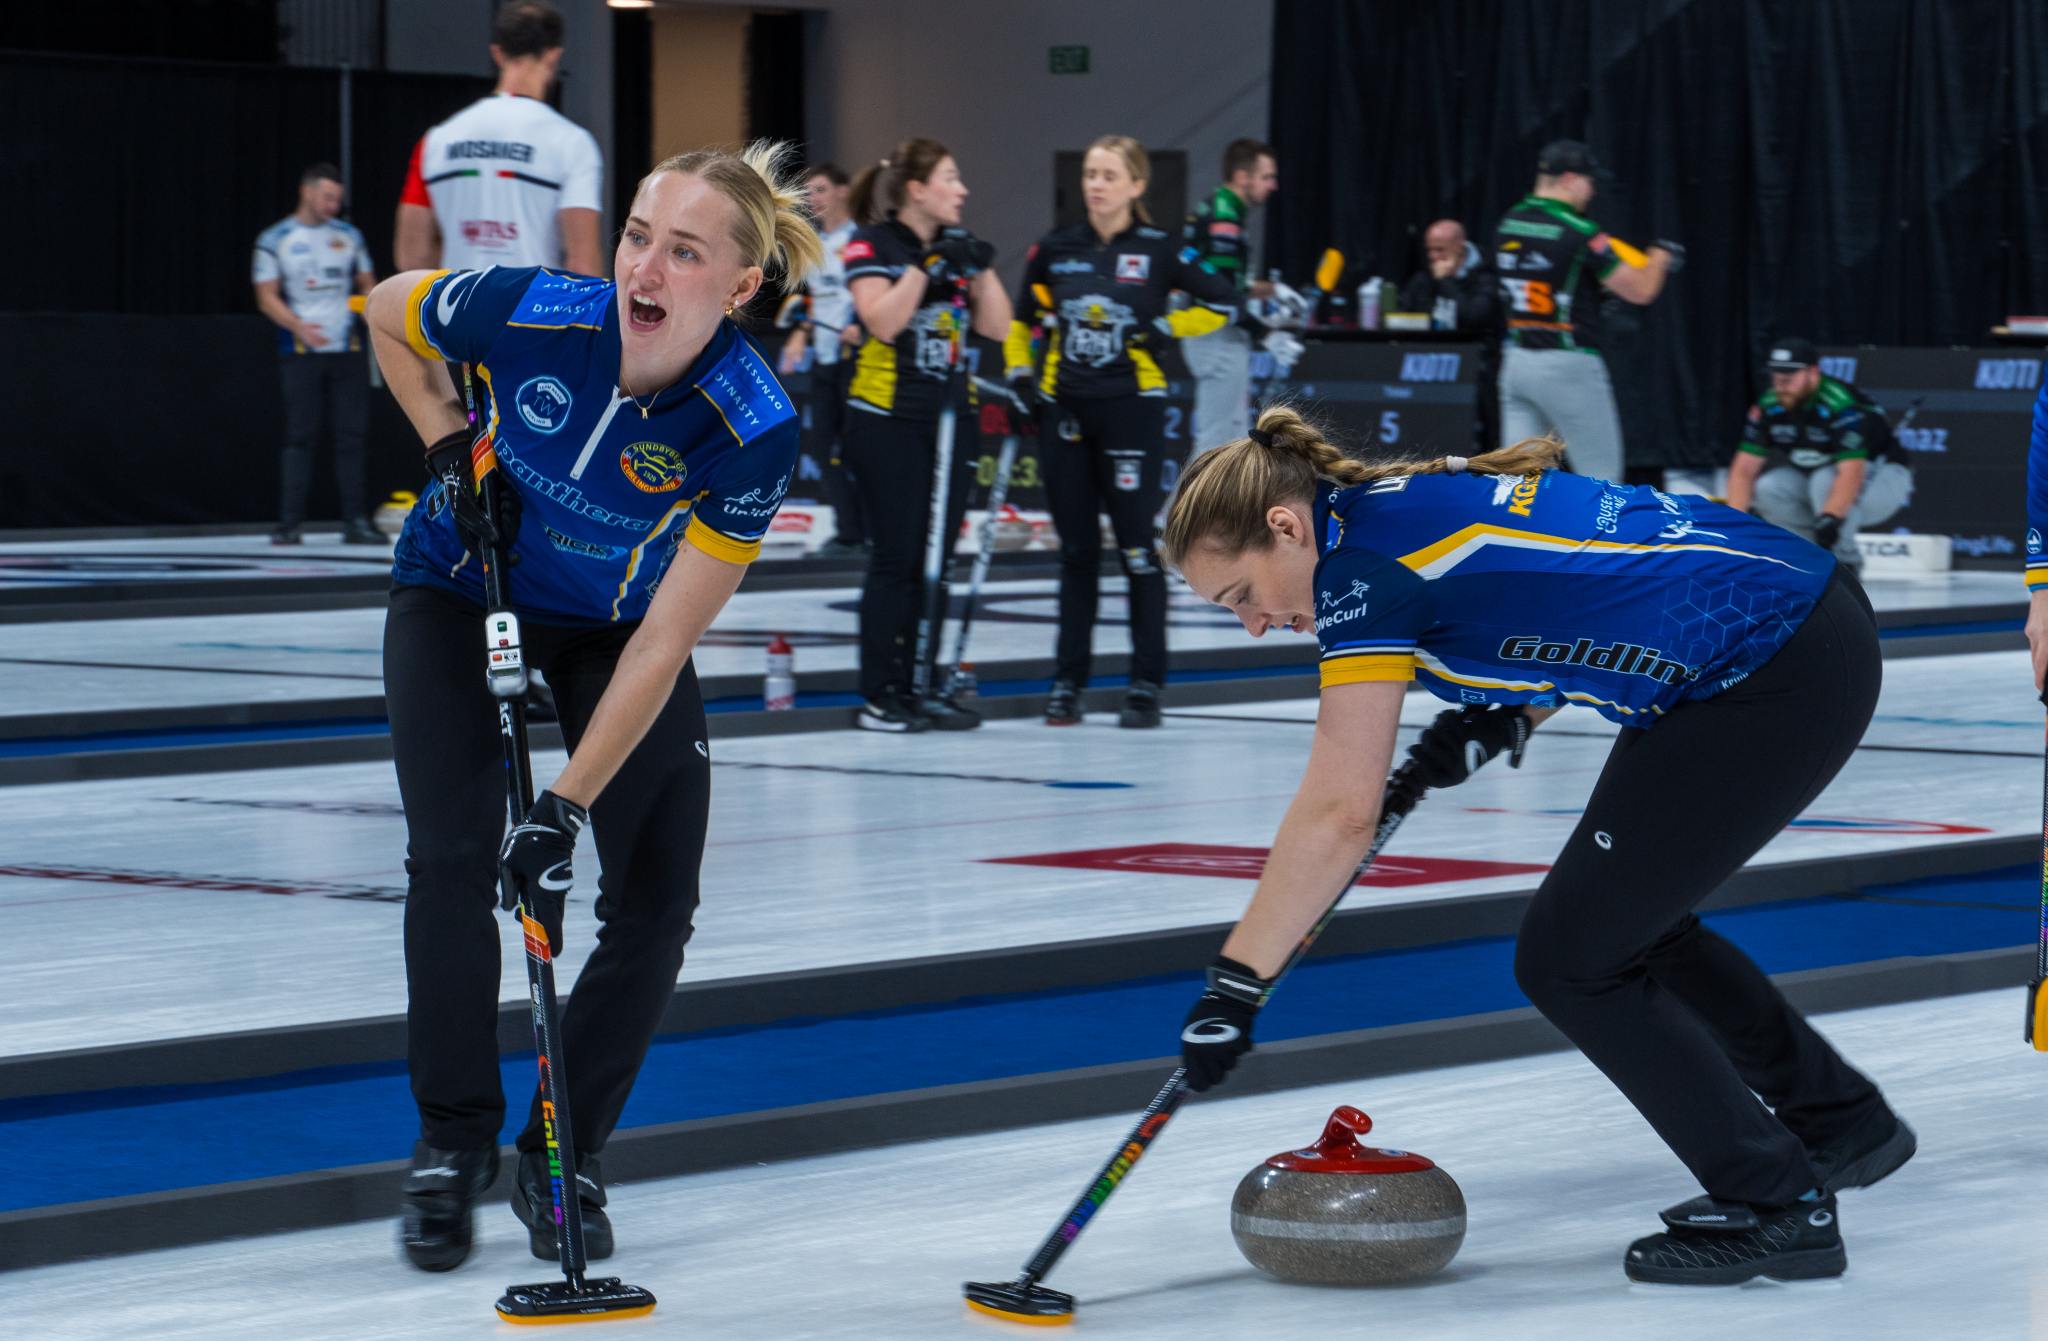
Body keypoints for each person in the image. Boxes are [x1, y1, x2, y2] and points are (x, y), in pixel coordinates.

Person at [1158, 407, 1914, 1285]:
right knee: (1633, 921)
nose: (1254, 623)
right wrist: (1507, 710)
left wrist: (1236, 982)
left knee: (1569, 960)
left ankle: (1781, 1205)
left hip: (1771, 664)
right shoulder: (1383, 504)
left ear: (1285, 528)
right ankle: (1841, 1119)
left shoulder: (1358, 574)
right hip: (1792, 623)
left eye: (1240, 595)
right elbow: (1579, 579)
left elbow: (1338, 814)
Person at [363, 141, 821, 1272]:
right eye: (635, 237)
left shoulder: (753, 425)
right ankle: (451, 1141)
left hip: (615, 629)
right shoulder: (530, 310)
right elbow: (384, 310)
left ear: (741, 286)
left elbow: (666, 639)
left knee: (657, 899)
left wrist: (562, 808)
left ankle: (563, 1148)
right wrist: (447, 446)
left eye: (683, 252)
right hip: (459, 589)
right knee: (452, 859)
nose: (643, 270)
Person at [1006, 135, 1258, 728]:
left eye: (1109, 175)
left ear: (1137, 186)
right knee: (1076, 553)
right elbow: (1022, 324)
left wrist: (1168, 325)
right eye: (1090, 173)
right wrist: (1019, 376)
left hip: (1131, 411)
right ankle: (1067, 683)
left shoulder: (1160, 249)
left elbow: (1225, 301)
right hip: (1066, 410)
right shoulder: (1054, 248)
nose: (1096, 184)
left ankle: (1146, 683)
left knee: (1138, 548)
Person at [842, 138, 1014, 732]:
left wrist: (980, 266)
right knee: (896, 557)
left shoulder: (957, 243)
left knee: (936, 560)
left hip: (951, 418)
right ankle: (881, 693)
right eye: (951, 178)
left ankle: (923, 683)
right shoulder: (872, 243)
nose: (962, 190)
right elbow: (882, 322)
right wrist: (925, 268)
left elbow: (998, 327)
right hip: (887, 418)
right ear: (917, 190)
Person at [1493, 140, 1679, 482]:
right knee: (1602, 482)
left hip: (1517, 361)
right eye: (1589, 182)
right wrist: (1660, 255)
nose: (1592, 191)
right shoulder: (1579, 232)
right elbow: (1641, 290)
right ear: (1568, 179)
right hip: (1568, 365)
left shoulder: (1509, 222)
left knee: (1520, 484)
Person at [393, 0, 603, 277]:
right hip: (532, 304)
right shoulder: (572, 144)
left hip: (458, 303)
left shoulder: (435, 142)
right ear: (554, 55)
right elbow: (583, 268)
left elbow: (411, 258)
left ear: (498, 53)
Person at [252, 162, 381, 546]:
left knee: (351, 437)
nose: (332, 206)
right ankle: (289, 524)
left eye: (337, 200)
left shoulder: (349, 236)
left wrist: (370, 310)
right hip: (301, 347)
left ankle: (356, 522)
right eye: (326, 197)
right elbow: (266, 297)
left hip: (347, 347)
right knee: (300, 437)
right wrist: (298, 326)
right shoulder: (275, 238)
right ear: (306, 191)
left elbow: (368, 284)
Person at [1726, 337, 1913, 570]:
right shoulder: (1769, 405)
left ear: (1813, 373)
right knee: (1770, 487)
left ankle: (1845, 564)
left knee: (1824, 480)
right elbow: (1743, 470)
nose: (1781, 385)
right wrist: (1734, 527)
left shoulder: (1841, 405)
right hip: (1819, 476)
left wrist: (1830, 519)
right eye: (1777, 377)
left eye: (1789, 377)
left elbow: (1851, 472)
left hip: (1883, 477)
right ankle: (1806, 560)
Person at [778, 162, 868, 558]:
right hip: (825, 361)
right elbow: (815, 301)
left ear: (843, 191)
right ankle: (849, 534)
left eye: (821, 189)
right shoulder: (813, 245)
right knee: (824, 447)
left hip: (857, 361)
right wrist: (801, 333)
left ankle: (871, 532)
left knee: (860, 448)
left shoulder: (862, 240)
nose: (813, 198)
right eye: (809, 191)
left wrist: (859, 323)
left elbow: (874, 292)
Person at [1182, 138, 1278, 453]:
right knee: (1217, 441)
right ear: (1241, 177)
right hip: (1215, 334)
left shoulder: (1219, 209)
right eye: (1266, 177)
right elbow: (1222, 294)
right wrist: (1265, 332)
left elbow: (1226, 283)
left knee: (1230, 437)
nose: (1273, 185)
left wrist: (1276, 290)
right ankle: (1192, 490)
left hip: (1214, 332)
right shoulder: (1224, 218)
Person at [1400, 218, 1501, 450]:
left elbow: (1475, 317)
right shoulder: (1425, 276)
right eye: (1429, 250)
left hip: (1479, 363)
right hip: (1431, 359)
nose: (1433, 256)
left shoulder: (1486, 274)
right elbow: (1408, 311)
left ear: (1460, 247)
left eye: (1440, 250)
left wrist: (1446, 281)